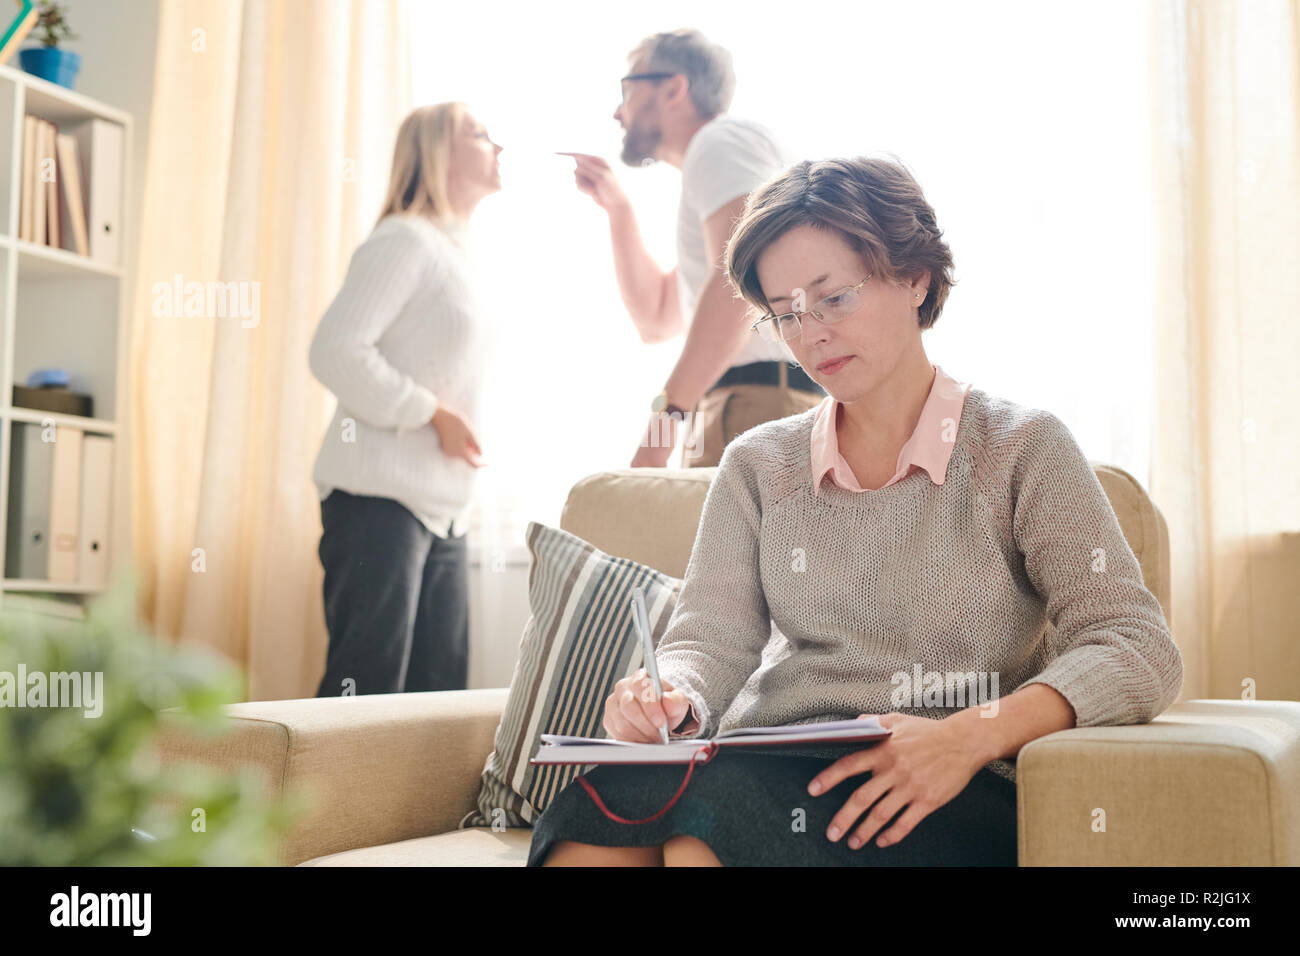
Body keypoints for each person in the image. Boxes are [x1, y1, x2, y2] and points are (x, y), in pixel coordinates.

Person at [528, 156, 1184, 866]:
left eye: (833, 297)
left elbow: (1135, 643)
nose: (810, 333)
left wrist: (970, 734)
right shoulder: (758, 465)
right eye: (785, 314)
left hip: (946, 780)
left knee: (703, 830)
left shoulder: (1021, 448)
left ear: (915, 278)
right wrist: (672, 694)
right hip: (774, 761)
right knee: (598, 823)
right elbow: (709, 640)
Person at [562, 28, 826, 469]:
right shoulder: (717, 159)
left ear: (675, 88)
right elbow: (657, 318)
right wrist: (619, 211)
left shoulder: (718, 142)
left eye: (627, 89)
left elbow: (736, 289)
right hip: (738, 402)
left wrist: (659, 433)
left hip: (753, 403)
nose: (616, 112)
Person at [309, 103, 501, 697]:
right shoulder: (405, 240)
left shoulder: (458, 257)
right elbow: (335, 350)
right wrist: (429, 414)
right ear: (437, 153)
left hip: (442, 509)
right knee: (363, 694)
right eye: (479, 132)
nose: (498, 144)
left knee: (435, 702)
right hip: (378, 504)